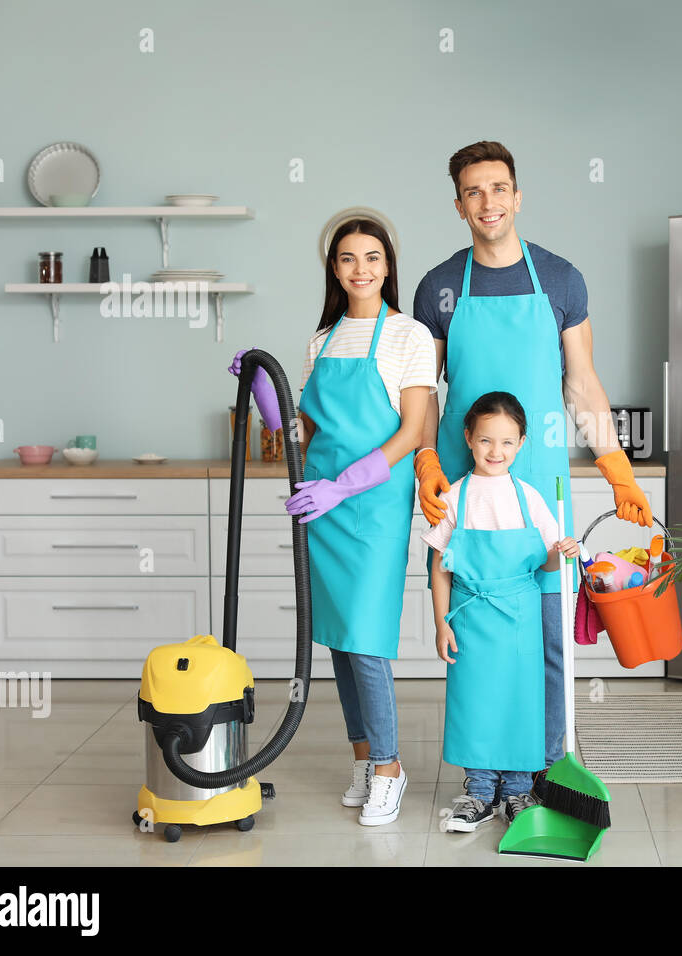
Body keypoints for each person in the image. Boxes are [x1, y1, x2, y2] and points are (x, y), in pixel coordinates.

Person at [413, 141, 652, 791]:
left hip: (540, 483)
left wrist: (617, 471)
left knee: (545, 637)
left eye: (498, 188)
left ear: (517, 196)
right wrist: (427, 459)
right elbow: (421, 391)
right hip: (463, 488)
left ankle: (543, 772)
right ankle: (482, 774)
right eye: (473, 191)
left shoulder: (561, 280)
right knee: (474, 637)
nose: (487, 202)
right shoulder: (437, 287)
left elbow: (583, 385)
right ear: (457, 204)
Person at [229, 217, 435, 827]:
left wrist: (343, 486)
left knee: (367, 643)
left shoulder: (410, 335)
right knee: (341, 644)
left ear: (389, 265)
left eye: (372, 257)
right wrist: (262, 389)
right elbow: (298, 433)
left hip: (371, 506)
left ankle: (392, 769)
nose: (361, 269)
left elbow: (410, 434)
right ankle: (364, 760)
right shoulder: (322, 339)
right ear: (334, 269)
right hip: (322, 505)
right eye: (348, 259)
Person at [423, 391, 580, 830]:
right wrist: (441, 624)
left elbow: (546, 558)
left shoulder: (528, 497)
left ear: (522, 443)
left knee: (519, 701)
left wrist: (562, 551)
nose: (497, 451)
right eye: (487, 440)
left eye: (508, 442)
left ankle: (514, 791)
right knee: (475, 702)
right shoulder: (455, 498)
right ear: (468, 438)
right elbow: (440, 568)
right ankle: (477, 792)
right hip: (470, 616)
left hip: (520, 619)